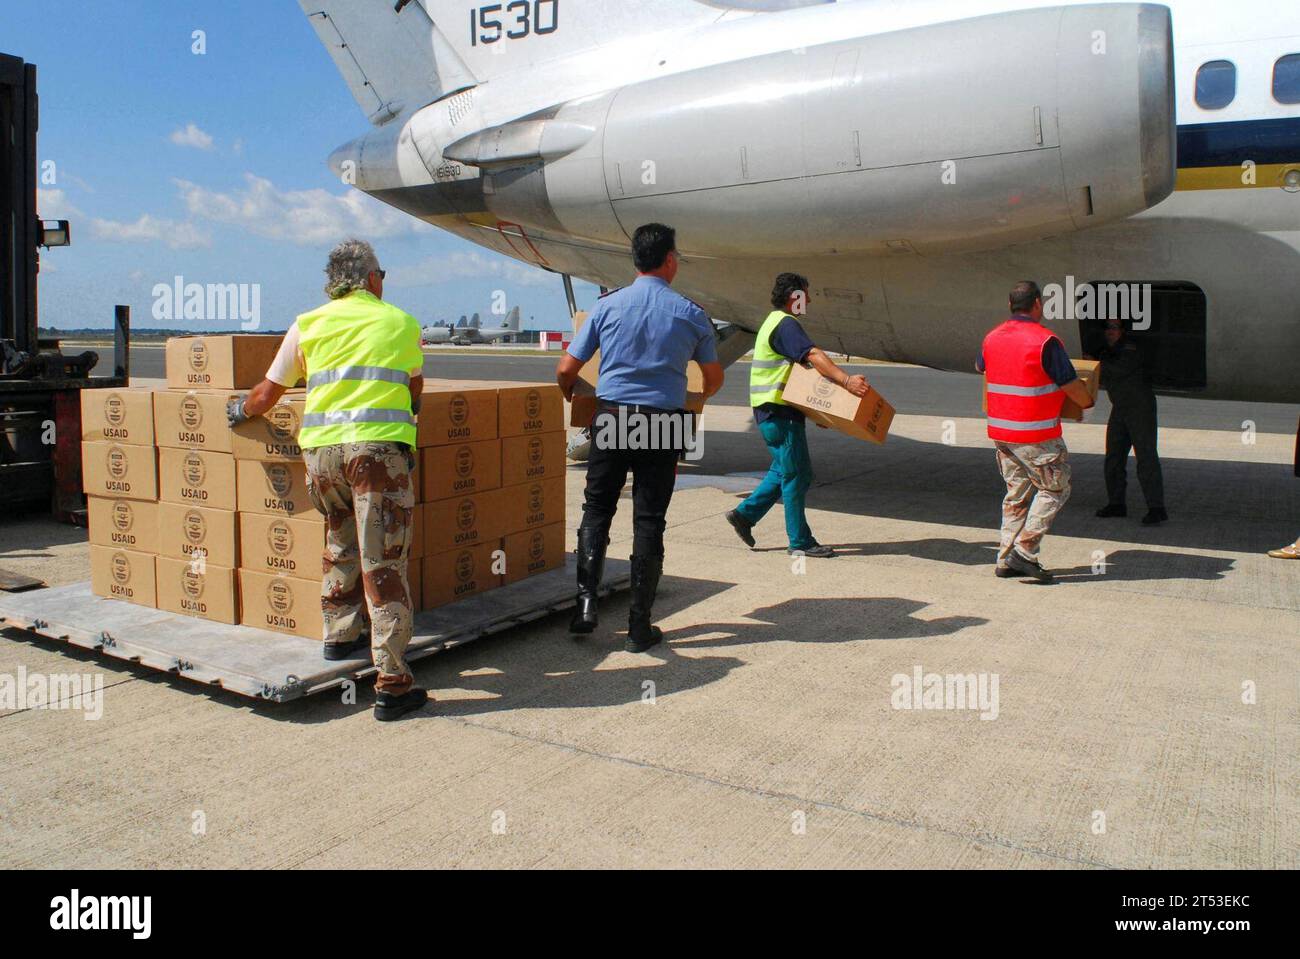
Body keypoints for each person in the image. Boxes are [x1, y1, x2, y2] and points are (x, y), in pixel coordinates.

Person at [228, 239, 427, 721]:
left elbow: (266, 394)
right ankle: (393, 683)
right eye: (383, 275)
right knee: (384, 561)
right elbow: (414, 392)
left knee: (340, 538)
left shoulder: (307, 323)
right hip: (375, 455)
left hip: (320, 458)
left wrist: (238, 412)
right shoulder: (400, 322)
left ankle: (339, 636)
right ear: (372, 278)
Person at [556, 223, 724, 652]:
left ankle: (586, 606)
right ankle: (638, 626)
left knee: (597, 510)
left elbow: (565, 370)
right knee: (649, 520)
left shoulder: (607, 307)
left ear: (635, 260)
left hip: (611, 417)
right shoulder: (691, 313)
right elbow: (713, 379)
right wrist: (693, 397)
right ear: (669, 260)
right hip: (663, 422)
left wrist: (574, 395)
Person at [724, 272, 868, 558]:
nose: (810, 300)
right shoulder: (787, 324)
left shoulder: (772, 322)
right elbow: (813, 356)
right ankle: (800, 541)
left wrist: (821, 413)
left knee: (782, 470)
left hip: (772, 412)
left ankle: (744, 515)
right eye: (806, 294)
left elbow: (796, 378)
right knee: (798, 475)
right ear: (795, 297)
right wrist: (847, 381)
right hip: (778, 414)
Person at [978, 280, 1096, 583]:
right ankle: (1025, 550)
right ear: (1038, 305)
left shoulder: (991, 337)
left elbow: (982, 367)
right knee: (1056, 488)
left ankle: (1005, 558)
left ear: (1009, 305)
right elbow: (1069, 383)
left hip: (1002, 432)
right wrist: (1087, 402)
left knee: (1016, 494)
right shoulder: (1045, 341)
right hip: (1036, 433)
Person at [1093, 319, 1167, 524]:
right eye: (1107, 328)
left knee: (1146, 458)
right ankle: (1116, 503)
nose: (1110, 332)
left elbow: (1116, 370)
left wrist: (1093, 364)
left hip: (1139, 409)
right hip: (1120, 409)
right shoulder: (1108, 352)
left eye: (1114, 328)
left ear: (1123, 331)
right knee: (1113, 457)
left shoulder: (1130, 349)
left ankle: (1156, 507)